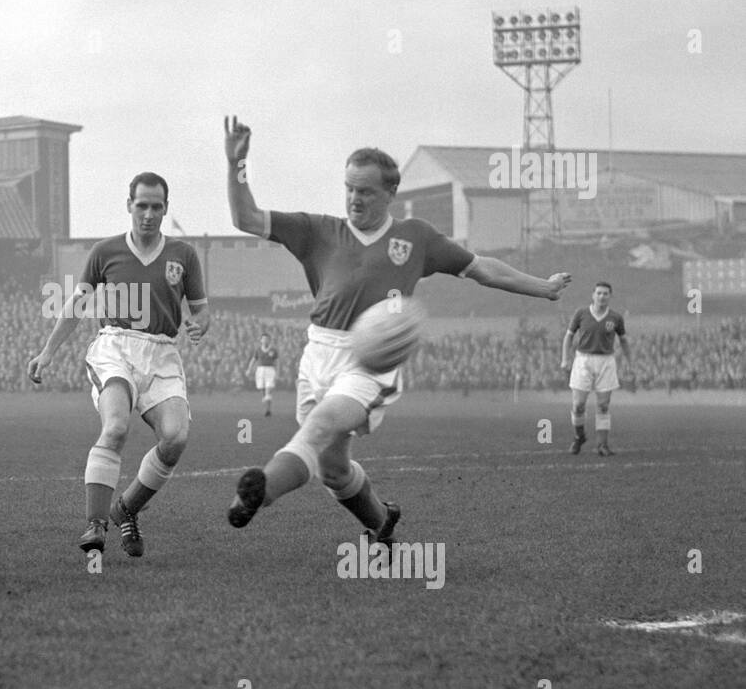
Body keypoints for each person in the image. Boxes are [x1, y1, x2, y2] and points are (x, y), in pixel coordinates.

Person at [222, 116, 571, 548]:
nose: (354, 198)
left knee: (319, 427)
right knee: (332, 467)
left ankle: (259, 492)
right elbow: (246, 217)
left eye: (365, 191)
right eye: (349, 188)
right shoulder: (317, 230)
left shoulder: (416, 238)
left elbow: (482, 269)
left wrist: (545, 288)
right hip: (317, 355)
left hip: (371, 362)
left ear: (391, 193)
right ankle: (381, 522)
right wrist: (236, 163)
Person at [27, 172, 209, 558]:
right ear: (129, 205)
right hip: (116, 347)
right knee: (115, 426)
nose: (148, 214)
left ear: (165, 209)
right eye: (141, 205)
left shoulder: (184, 255)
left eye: (156, 206)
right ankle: (95, 524)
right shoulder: (105, 251)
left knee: (175, 439)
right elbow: (76, 306)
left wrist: (199, 325)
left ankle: (127, 507)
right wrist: (47, 351)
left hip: (162, 353)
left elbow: (201, 310)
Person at [561, 281, 631, 455]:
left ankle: (602, 445)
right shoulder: (581, 313)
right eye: (599, 293)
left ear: (610, 296)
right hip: (583, 360)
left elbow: (623, 340)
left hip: (606, 361)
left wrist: (629, 362)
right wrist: (565, 359)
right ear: (593, 295)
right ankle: (579, 437)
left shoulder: (615, 318)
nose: (602, 296)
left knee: (603, 405)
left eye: (605, 293)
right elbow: (568, 337)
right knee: (578, 405)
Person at [245, 332, 279, 416]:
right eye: (263, 339)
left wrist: (277, 372)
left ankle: (268, 410)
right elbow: (253, 360)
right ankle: (267, 408)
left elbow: (277, 362)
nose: (265, 340)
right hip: (260, 370)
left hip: (270, 370)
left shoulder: (273, 350)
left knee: (268, 390)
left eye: (267, 339)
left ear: (269, 340)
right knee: (262, 390)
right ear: (261, 340)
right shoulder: (258, 350)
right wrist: (249, 369)